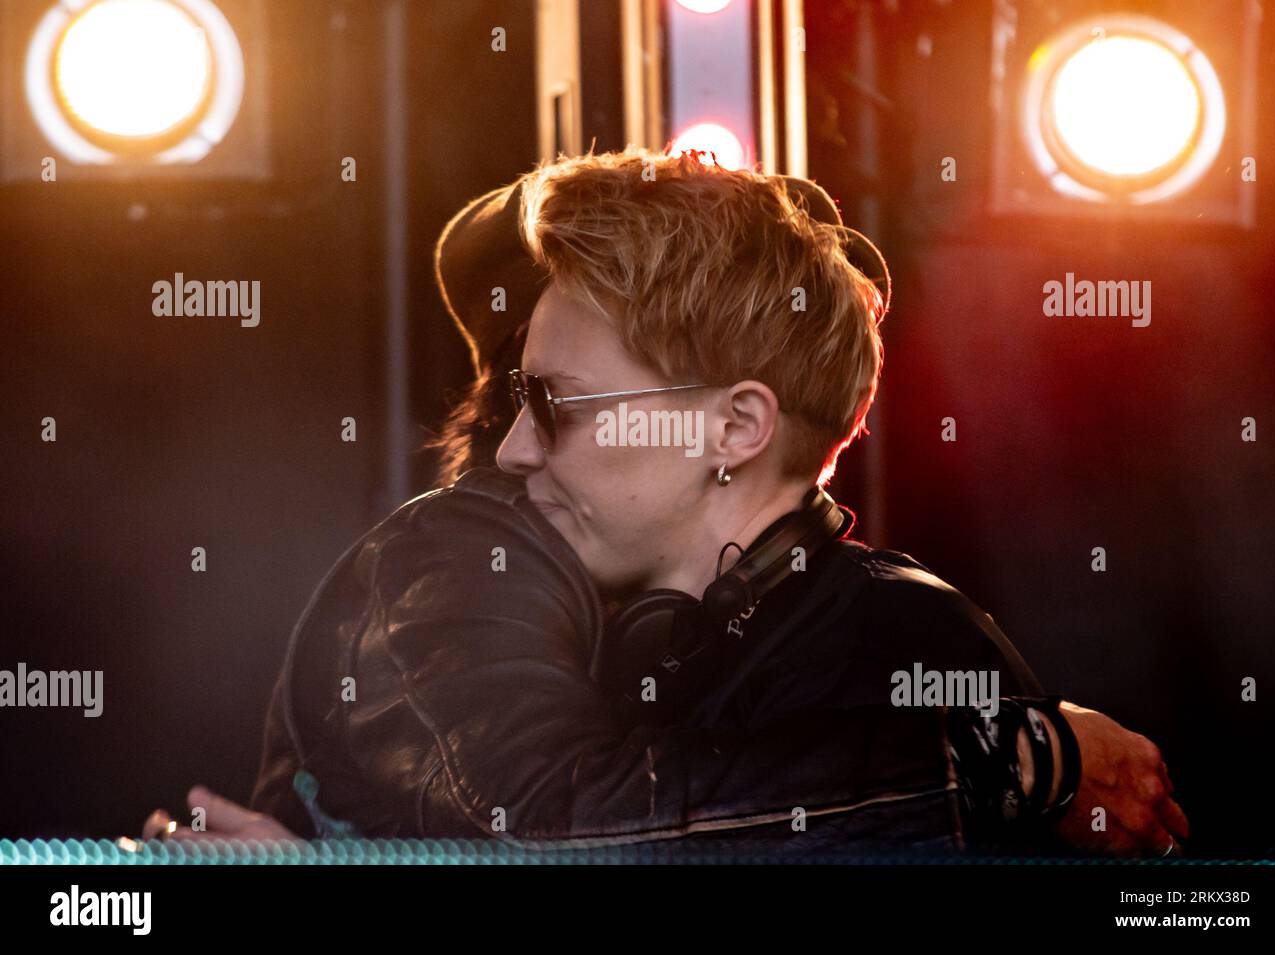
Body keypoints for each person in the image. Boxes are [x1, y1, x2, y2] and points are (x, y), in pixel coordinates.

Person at [144, 149, 1187, 857]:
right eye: (512, 393)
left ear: (735, 429)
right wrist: (1012, 767)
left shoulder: (916, 644)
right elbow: (551, 822)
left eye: (554, 402)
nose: (508, 446)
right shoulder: (468, 552)